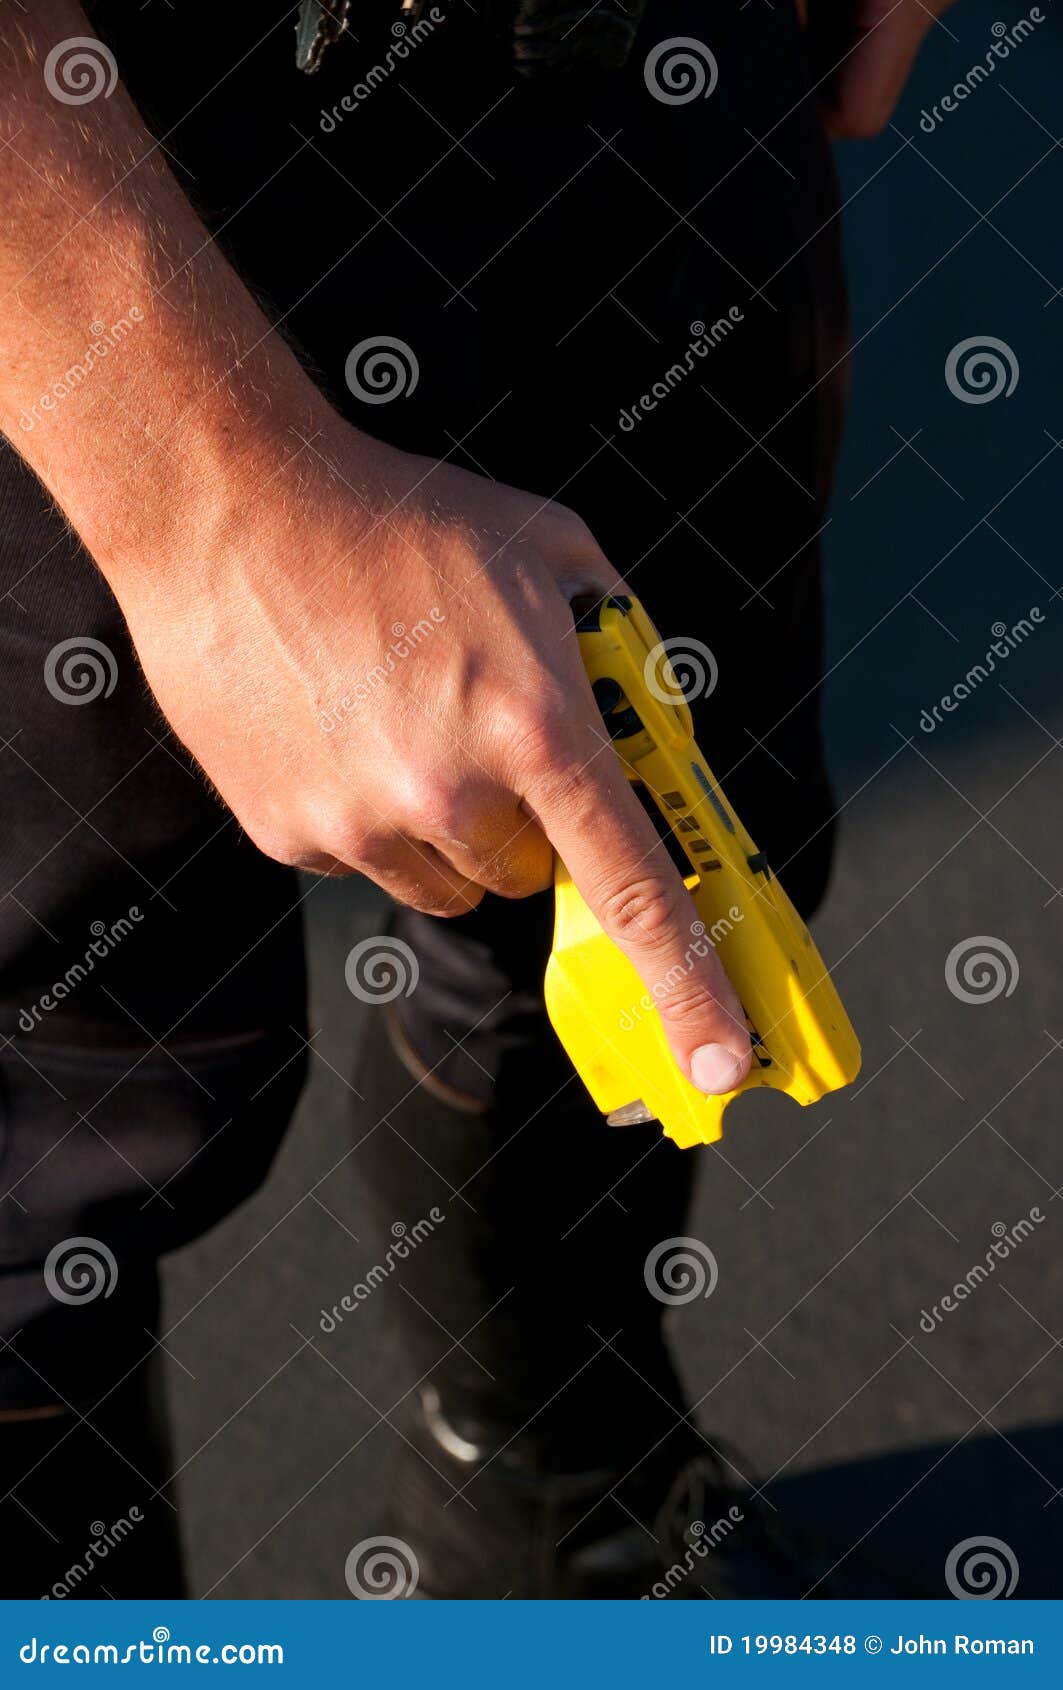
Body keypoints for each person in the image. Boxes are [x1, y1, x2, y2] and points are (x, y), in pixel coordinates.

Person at [0, 0, 952, 1598]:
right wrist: (205, 502)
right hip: (77, 176)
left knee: (650, 849)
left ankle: (558, 1510)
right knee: (48, 1117)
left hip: (634, 77)